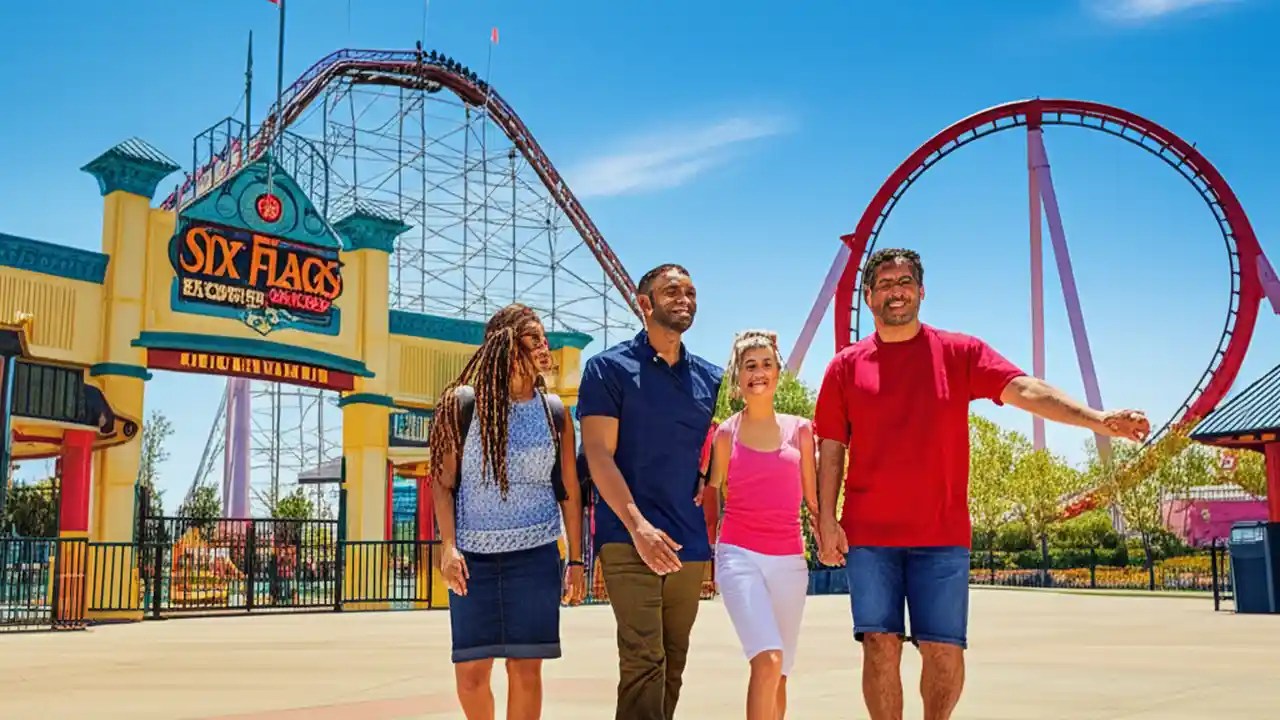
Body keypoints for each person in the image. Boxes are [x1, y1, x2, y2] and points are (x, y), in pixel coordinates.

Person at [813, 248, 1150, 720]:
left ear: (922, 291)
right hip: (869, 535)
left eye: (905, 282)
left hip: (942, 535)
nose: (896, 292)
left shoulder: (960, 352)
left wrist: (1096, 419)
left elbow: (1027, 389)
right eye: (885, 284)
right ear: (869, 296)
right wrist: (826, 519)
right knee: (878, 645)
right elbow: (830, 448)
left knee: (944, 650)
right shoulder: (845, 367)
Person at [577, 263, 724, 720]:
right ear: (645, 304)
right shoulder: (607, 369)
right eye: (672, 291)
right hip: (628, 538)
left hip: (688, 542)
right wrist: (638, 526)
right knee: (644, 661)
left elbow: (715, 458)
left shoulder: (711, 378)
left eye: (691, 293)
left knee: (673, 663)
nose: (685, 300)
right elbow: (598, 454)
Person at [429, 303, 588, 720]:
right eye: (533, 338)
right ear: (504, 345)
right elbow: (442, 483)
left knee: (525, 670)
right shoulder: (461, 405)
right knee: (470, 674)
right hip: (473, 560)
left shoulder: (554, 411)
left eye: (544, 338)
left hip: (535, 557)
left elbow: (569, 491)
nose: (544, 346)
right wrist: (449, 547)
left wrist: (575, 560)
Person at [705, 330, 818, 720]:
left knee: (780, 674)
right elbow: (711, 496)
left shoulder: (801, 431)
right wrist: (706, 556)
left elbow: (813, 501)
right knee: (767, 660)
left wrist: (829, 534)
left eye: (767, 364)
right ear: (737, 377)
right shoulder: (725, 434)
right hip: (739, 556)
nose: (759, 372)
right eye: (750, 366)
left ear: (778, 373)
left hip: (790, 561)